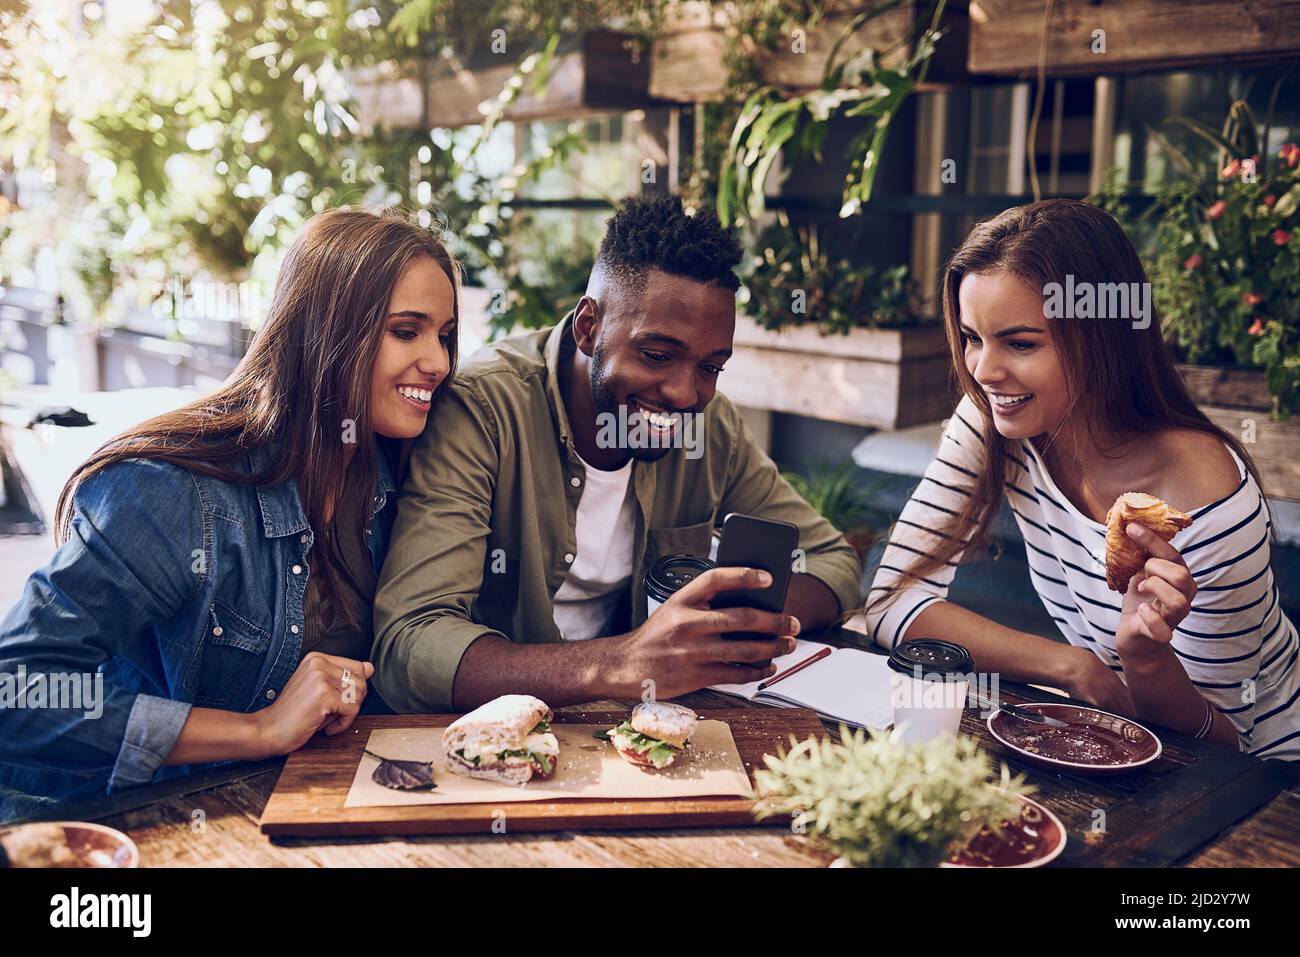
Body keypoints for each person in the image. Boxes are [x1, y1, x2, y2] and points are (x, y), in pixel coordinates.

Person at [0, 208, 459, 820]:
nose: (439, 362)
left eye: (446, 335)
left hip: (289, 812)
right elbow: (19, 690)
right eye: (407, 331)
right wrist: (261, 730)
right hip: (113, 833)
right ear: (326, 334)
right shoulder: (172, 493)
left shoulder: (392, 480)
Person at [373, 195, 862, 712]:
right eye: (657, 355)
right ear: (589, 328)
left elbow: (833, 562)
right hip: (498, 733)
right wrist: (623, 662)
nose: (683, 394)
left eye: (710, 368)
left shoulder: (710, 429)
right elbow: (411, 644)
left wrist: (730, 625)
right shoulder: (483, 408)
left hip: (641, 728)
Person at [865, 199, 1299, 760]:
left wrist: (1144, 661)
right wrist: (1069, 665)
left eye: (1020, 343)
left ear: (1102, 338)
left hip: (1265, 789)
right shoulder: (995, 422)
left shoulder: (1209, 504)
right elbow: (891, 603)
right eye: (973, 337)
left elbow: (1222, 743)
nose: (984, 370)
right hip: (1116, 743)